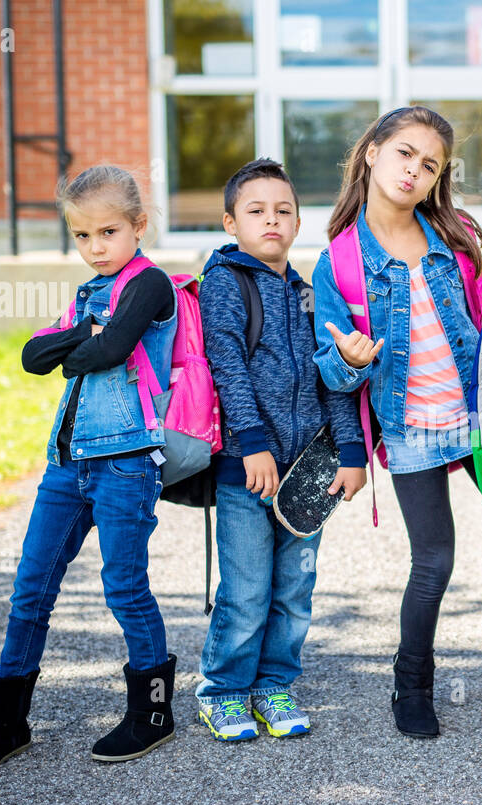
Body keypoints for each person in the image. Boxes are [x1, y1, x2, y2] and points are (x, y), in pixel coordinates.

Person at [0, 165, 178, 771]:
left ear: (138, 226)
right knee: (31, 588)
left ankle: (153, 711)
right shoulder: (87, 297)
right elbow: (31, 356)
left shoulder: (151, 284)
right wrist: (86, 331)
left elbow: (109, 351)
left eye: (108, 232)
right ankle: (6, 723)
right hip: (66, 464)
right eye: (81, 236)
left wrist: (82, 342)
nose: (95, 247)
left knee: (125, 588)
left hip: (126, 462)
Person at [312, 106, 482, 738]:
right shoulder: (339, 262)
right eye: (404, 153)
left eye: (430, 163)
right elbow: (331, 375)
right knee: (434, 562)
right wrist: (351, 363)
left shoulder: (458, 238)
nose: (415, 169)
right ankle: (411, 684)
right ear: (372, 153)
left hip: (479, 421)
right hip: (411, 427)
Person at [195, 158, 366, 741]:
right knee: (245, 589)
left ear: (298, 223)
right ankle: (223, 691)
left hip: (308, 471)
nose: (272, 220)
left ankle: (273, 686)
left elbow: (331, 375)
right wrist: (253, 446)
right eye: (256, 210)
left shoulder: (308, 289)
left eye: (283, 210)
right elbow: (227, 366)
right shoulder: (224, 280)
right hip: (249, 468)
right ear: (230, 222)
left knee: (295, 589)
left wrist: (350, 451)